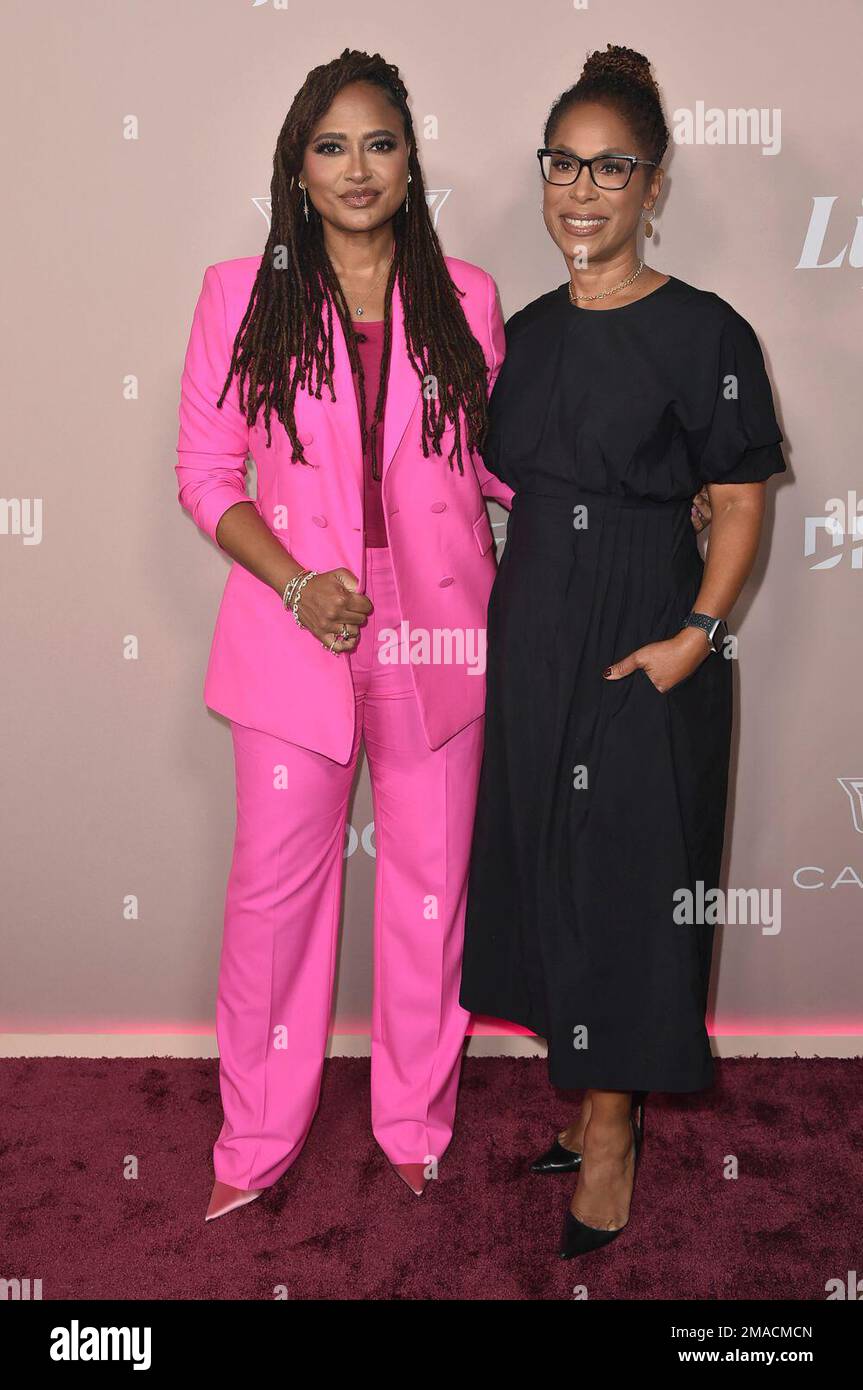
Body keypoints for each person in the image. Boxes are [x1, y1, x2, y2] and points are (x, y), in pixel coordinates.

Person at [458, 43, 786, 1257]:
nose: (581, 189)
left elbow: (740, 499)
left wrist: (692, 640)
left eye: (611, 167)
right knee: (548, 864)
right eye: (563, 164)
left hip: (647, 639)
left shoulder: (705, 330)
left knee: (631, 881)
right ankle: (585, 1082)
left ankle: (612, 1129)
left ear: (652, 186)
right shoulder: (527, 332)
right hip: (534, 630)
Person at [175, 49, 511, 1220]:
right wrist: (296, 583)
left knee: (429, 886)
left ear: (410, 160)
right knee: (274, 899)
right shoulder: (239, 292)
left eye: (378, 142)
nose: (357, 167)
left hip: (439, 629)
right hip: (295, 626)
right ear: (298, 170)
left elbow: (496, 467)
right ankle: (255, 1139)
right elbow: (205, 475)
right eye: (332, 146)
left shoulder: (466, 294)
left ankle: (414, 1121)